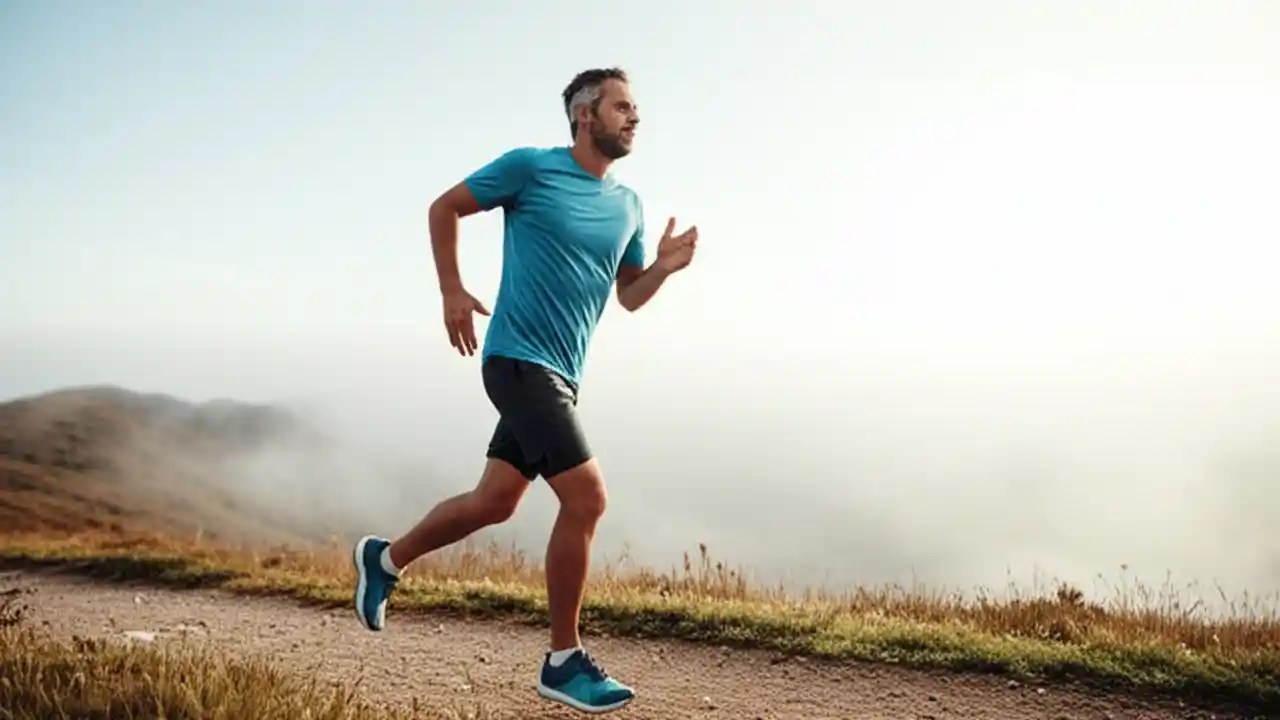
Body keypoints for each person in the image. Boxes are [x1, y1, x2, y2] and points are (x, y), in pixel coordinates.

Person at [350, 67, 698, 714]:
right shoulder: (531, 169)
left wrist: (664, 270)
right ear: (585, 115)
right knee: (588, 499)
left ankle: (384, 560)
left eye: (636, 109)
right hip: (515, 361)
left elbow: (629, 296)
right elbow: (444, 207)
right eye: (623, 107)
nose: (634, 118)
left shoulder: (630, 206)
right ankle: (563, 661)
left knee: (495, 502)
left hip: (562, 376)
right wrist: (451, 290)